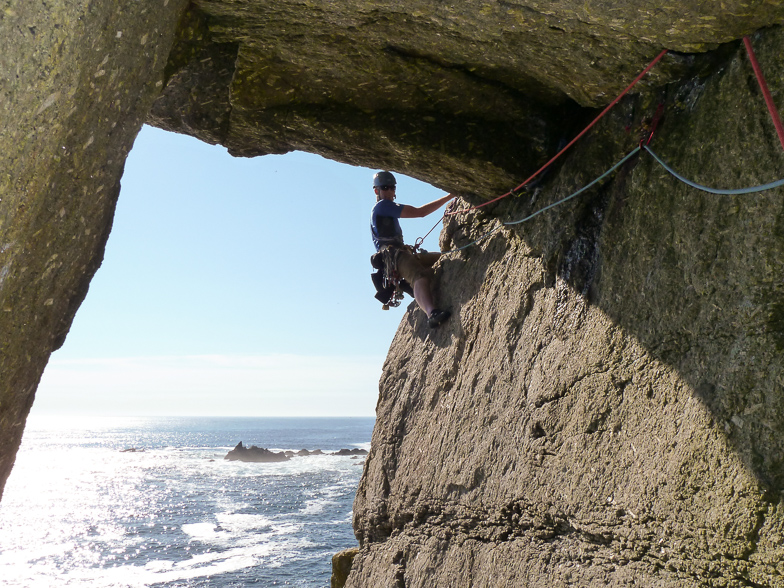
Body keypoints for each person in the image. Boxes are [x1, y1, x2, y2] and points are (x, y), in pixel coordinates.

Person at [370, 170, 455, 328]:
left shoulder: (384, 208)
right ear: (377, 190)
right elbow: (420, 212)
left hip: (402, 253)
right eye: (386, 188)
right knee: (419, 275)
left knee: (441, 258)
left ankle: (410, 286)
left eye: (392, 188)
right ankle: (431, 313)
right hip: (396, 257)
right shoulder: (382, 206)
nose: (390, 191)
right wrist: (450, 196)